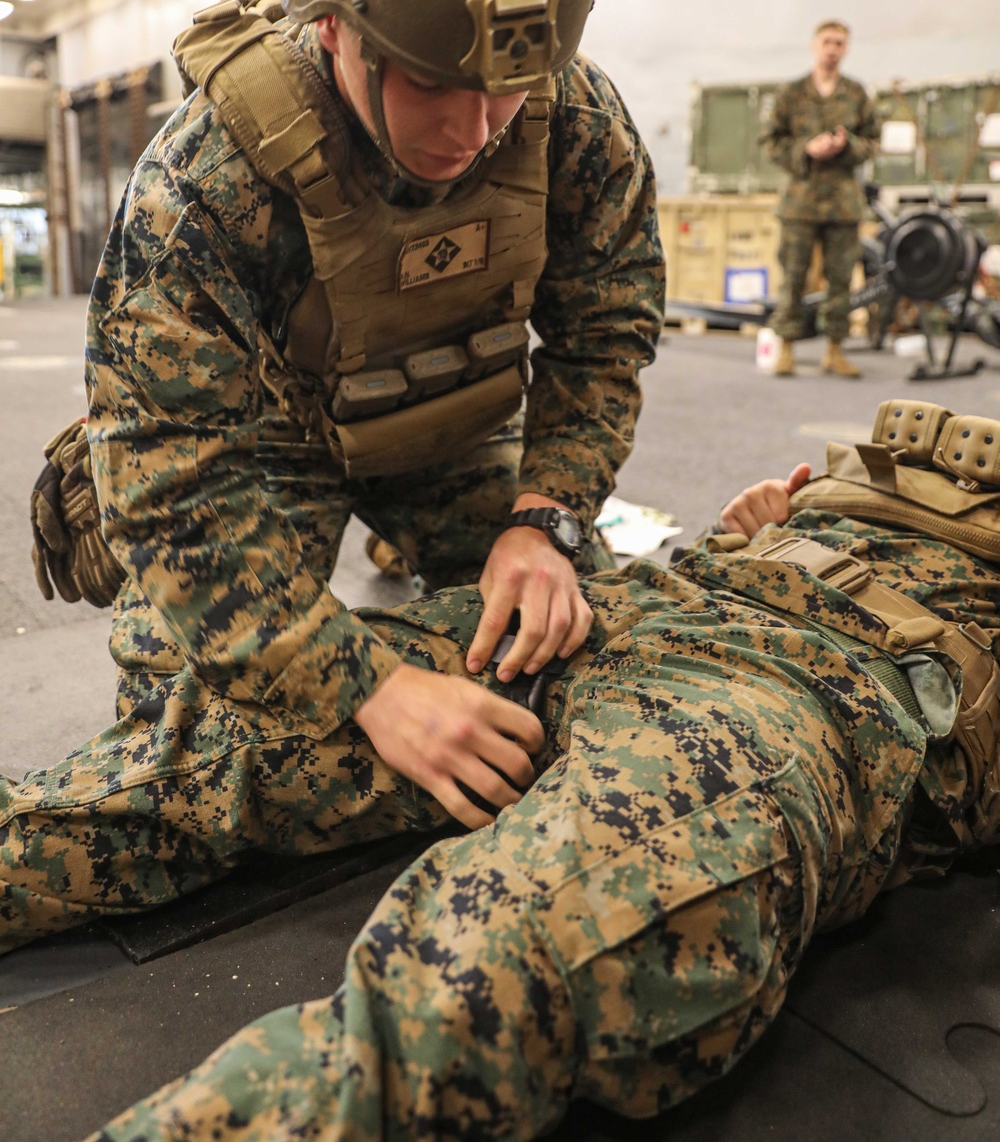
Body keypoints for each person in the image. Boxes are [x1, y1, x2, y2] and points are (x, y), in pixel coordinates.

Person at [4, 396, 1000, 1140]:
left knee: (491, 973)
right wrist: (759, 527)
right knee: (222, 731)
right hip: (656, 597)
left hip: (812, 680)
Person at [60, 0, 663, 780]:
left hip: (449, 425)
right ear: (333, 23)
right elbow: (171, 479)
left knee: (581, 647)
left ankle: (412, 536)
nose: (474, 130)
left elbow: (605, 331)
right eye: (430, 83)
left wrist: (544, 520)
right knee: (194, 736)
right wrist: (365, 686)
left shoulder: (575, 121)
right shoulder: (207, 180)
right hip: (263, 457)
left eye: (511, 86)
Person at [761, 20, 879, 377]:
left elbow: (873, 142)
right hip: (800, 201)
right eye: (827, 41)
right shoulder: (792, 93)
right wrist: (806, 149)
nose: (833, 49)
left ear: (847, 48)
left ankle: (835, 349)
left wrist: (847, 145)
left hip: (843, 203)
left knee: (840, 279)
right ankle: (786, 348)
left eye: (839, 43)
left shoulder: (856, 94)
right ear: (815, 46)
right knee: (793, 276)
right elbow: (770, 142)